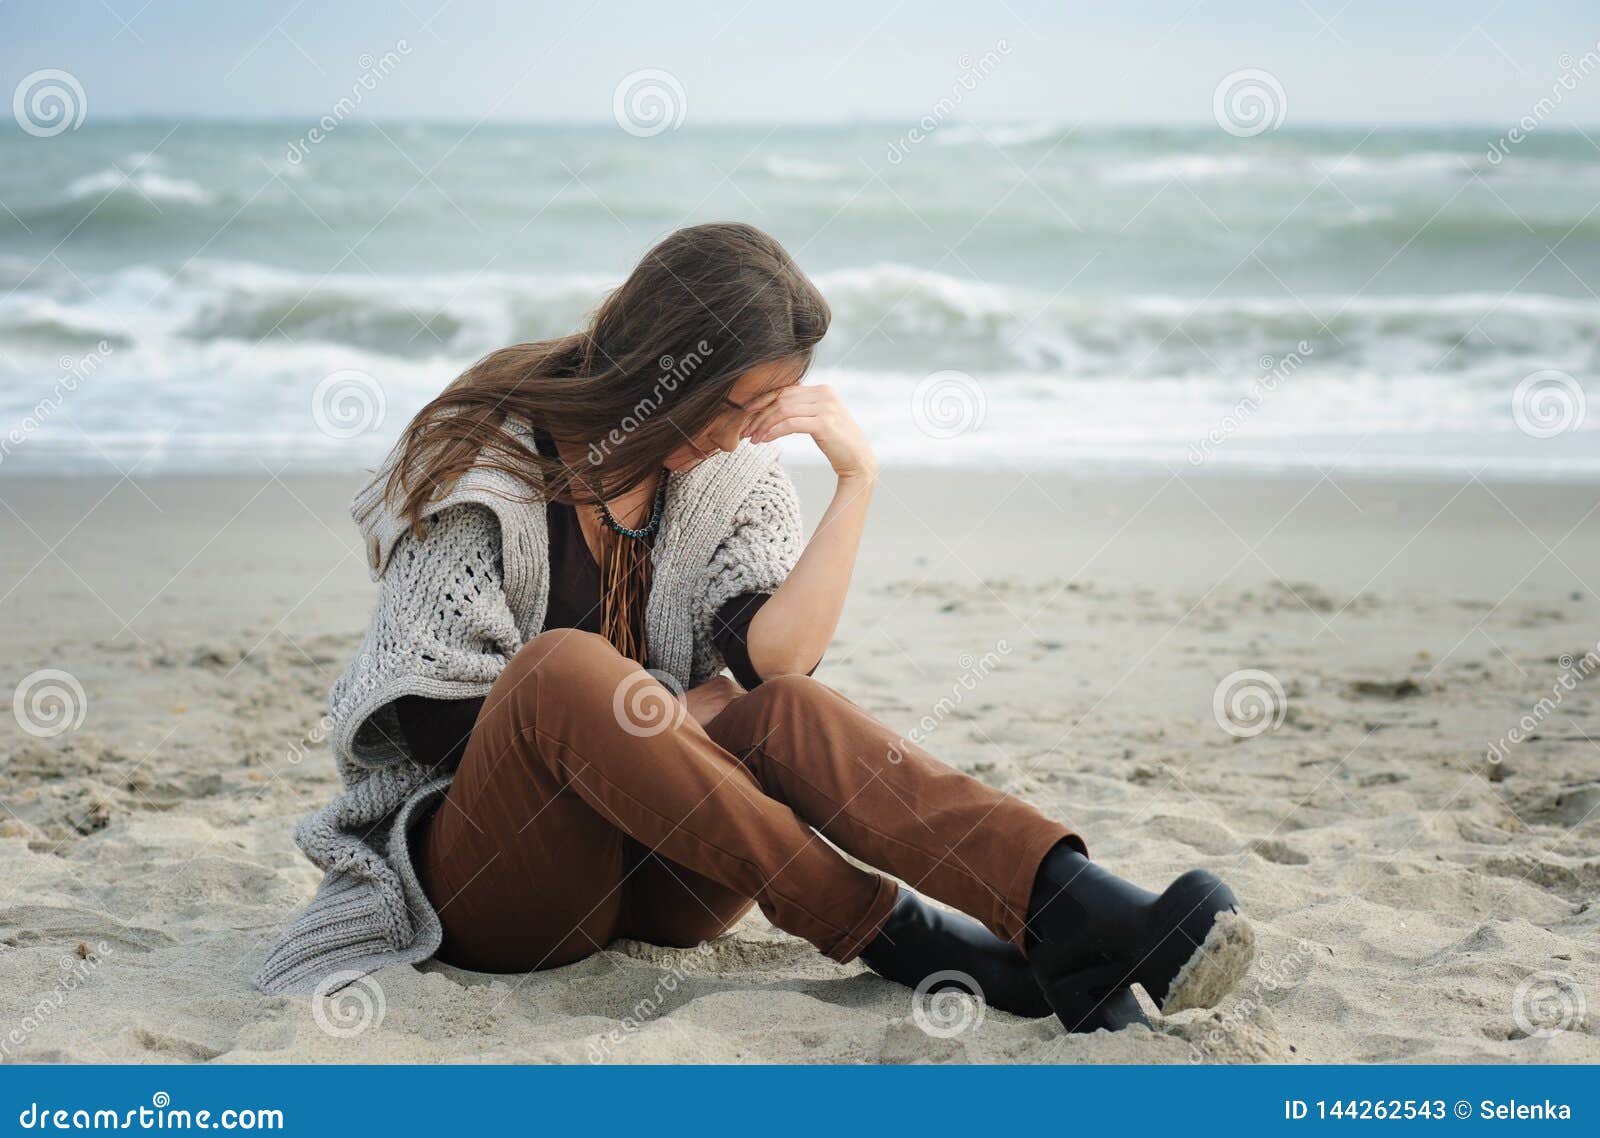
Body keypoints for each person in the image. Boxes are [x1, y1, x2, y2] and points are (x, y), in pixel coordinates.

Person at [256, 222, 1254, 1034]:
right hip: (502, 889)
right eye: (737, 406)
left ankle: (1066, 904)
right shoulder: (488, 458)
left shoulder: (726, 474)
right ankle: (900, 934)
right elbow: (436, 726)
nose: (746, 435)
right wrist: (650, 714)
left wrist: (857, 481)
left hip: (667, 881)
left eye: (771, 407)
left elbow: (773, 659)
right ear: (668, 368)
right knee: (564, 671)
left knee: (787, 712)